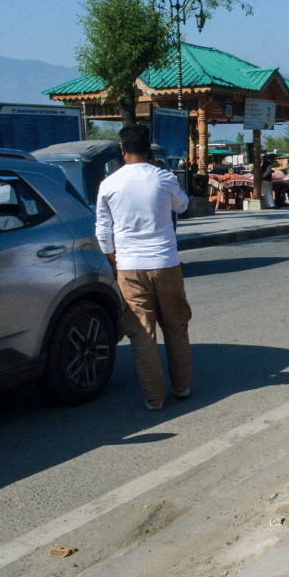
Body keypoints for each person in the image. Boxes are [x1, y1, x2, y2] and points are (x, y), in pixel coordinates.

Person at [95, 124, 192, 411]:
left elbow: (103, 232)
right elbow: (183, 206)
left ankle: (154, 397)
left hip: (129, 267)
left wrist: (115, 264)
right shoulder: (164, 177)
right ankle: (182, 386)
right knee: (175, 325)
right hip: (166, 264)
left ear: (122, 150)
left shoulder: (109, 184)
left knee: (142, 332)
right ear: (149, 149)